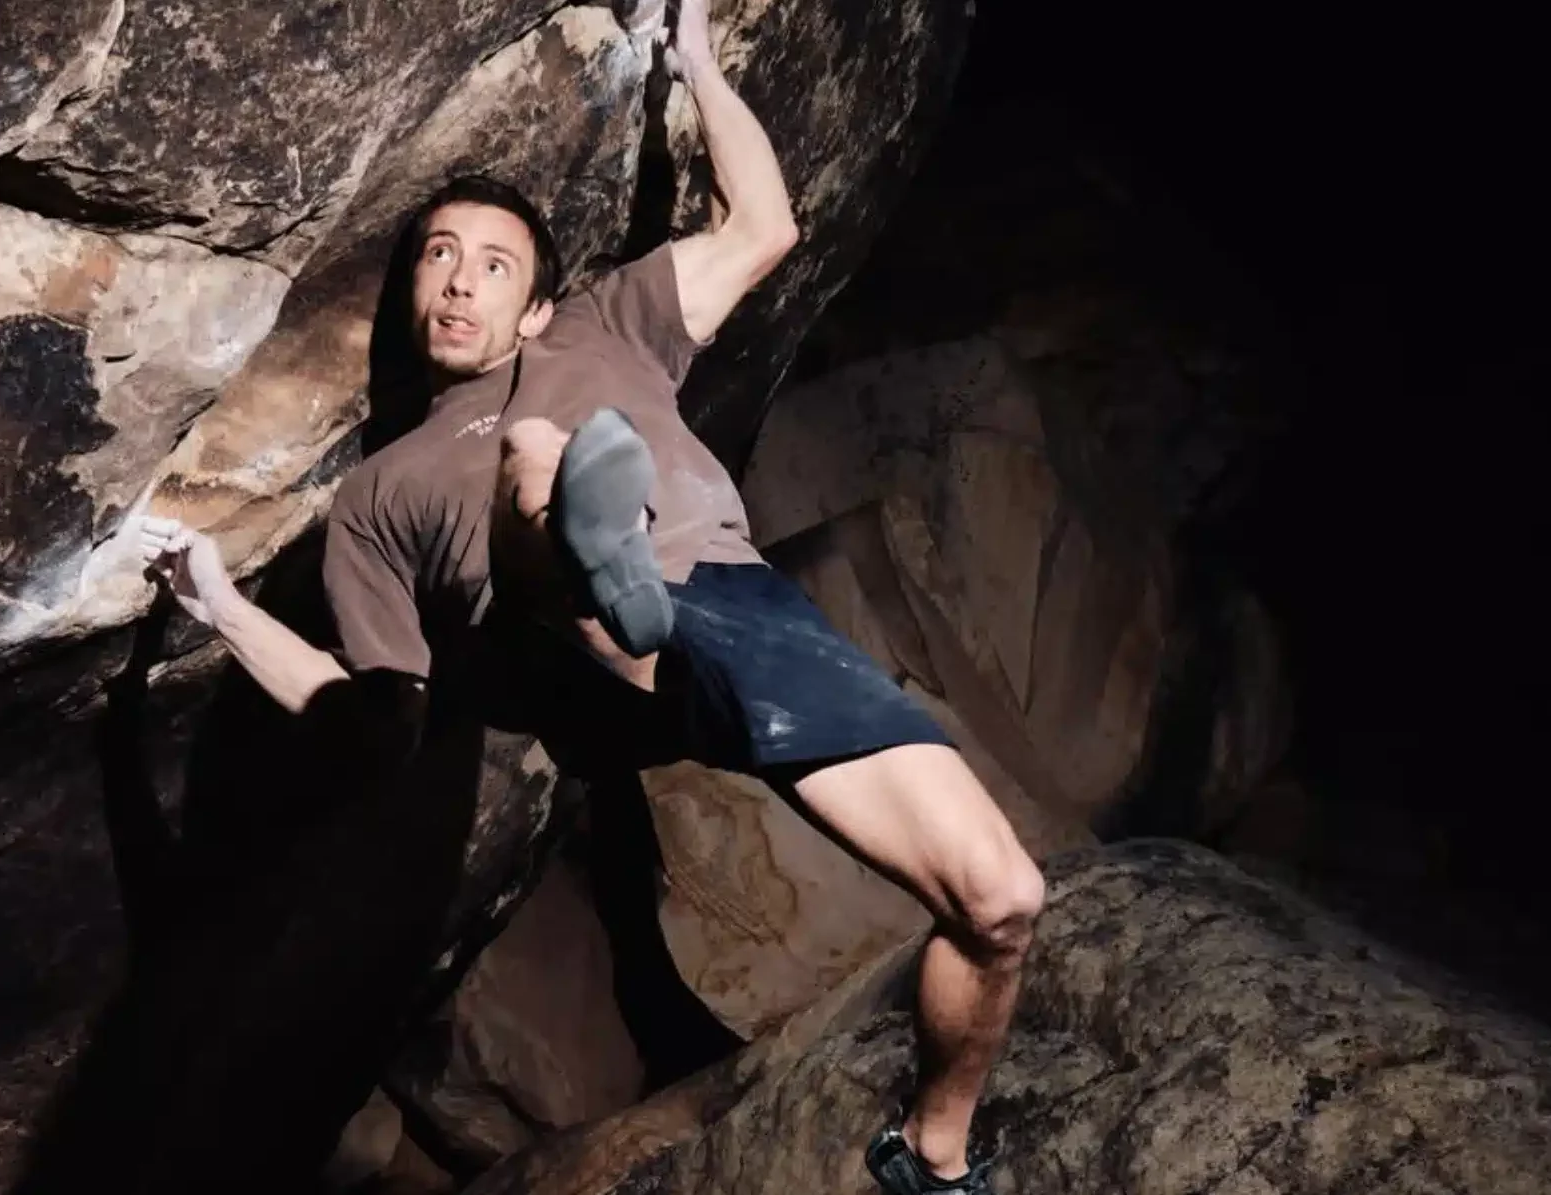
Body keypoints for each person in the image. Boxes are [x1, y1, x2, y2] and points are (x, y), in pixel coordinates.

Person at [139, 2, 1043, 1189]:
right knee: (537, 462)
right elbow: (375, 712)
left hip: (730, 611)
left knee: (1002, 898)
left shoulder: (615, 325)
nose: (460, 283)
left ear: (540, 305)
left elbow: (763, 223)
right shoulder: (376, 493)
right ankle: (578, 545)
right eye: (438, 258)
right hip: (559, 663)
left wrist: (701, 66)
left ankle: (931, 1154)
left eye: (494, 264)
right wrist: (222, 604)